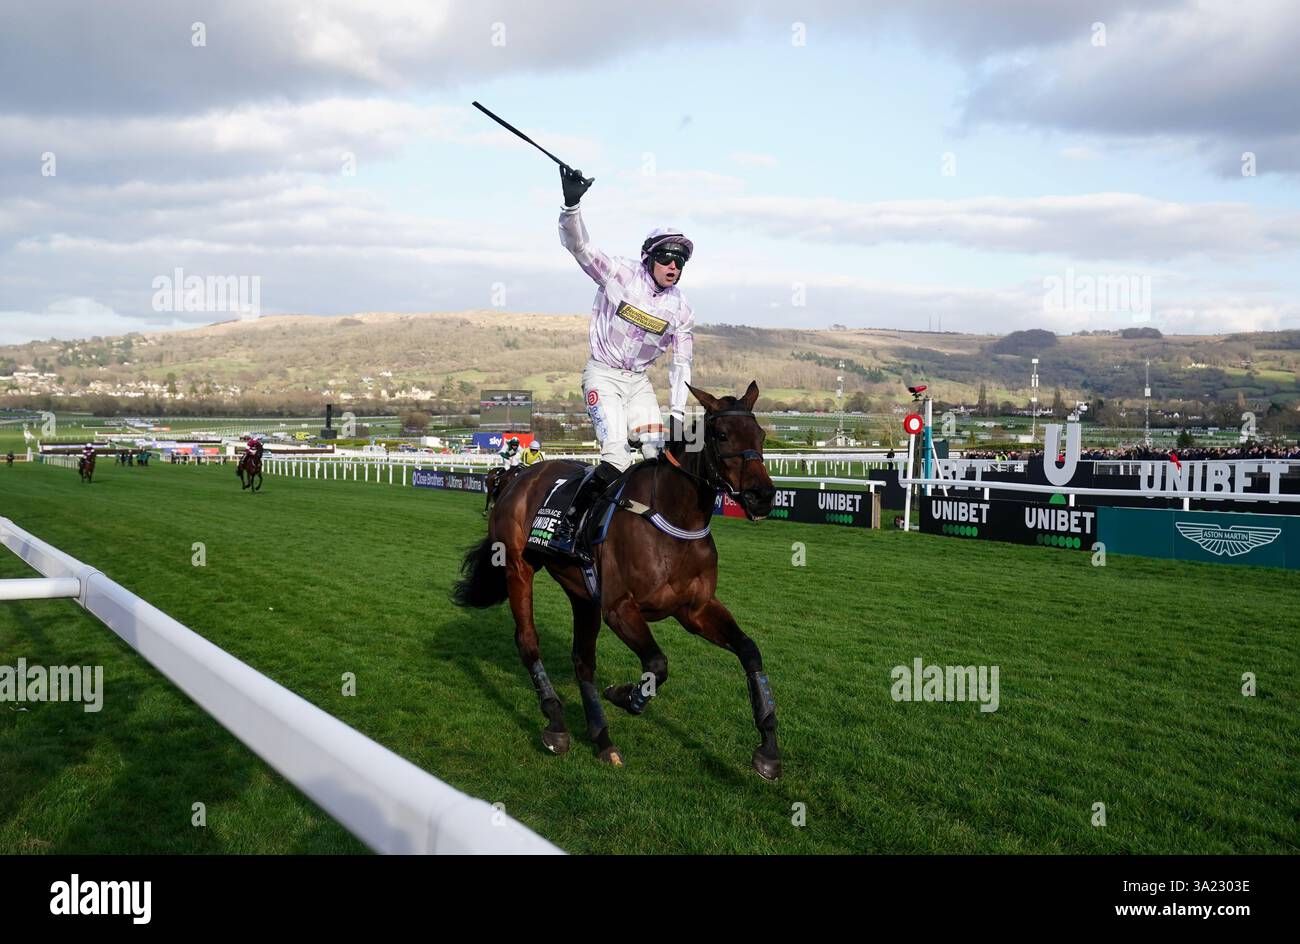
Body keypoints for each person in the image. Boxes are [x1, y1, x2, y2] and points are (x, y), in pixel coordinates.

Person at [551, 163, 696, 549]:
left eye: (680, 261)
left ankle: (647, 536)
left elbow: (682, 364)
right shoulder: (619, 273)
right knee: (617, 458)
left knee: (654, 456)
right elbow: (579, 247)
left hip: (638, 384)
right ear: (649, 256)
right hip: (603, 376)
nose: (674, 266)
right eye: (667, 257)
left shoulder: (680, 309)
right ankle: (570, 524)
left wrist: (678, 416)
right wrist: (571, 205)